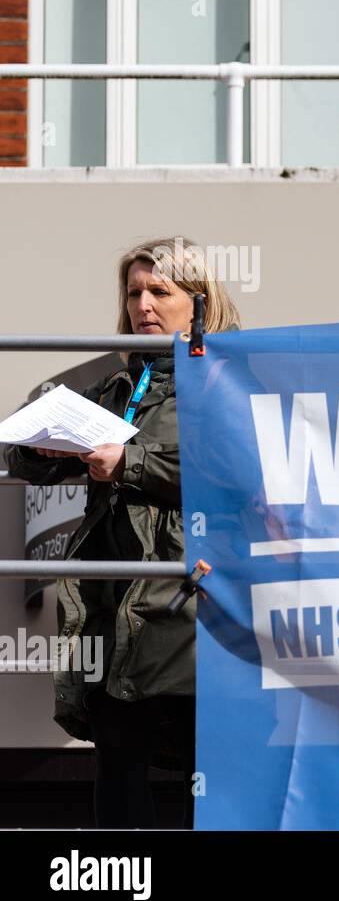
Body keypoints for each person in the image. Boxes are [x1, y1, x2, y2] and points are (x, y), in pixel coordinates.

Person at [5, 237, 241, 828]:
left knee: (201, 763)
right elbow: (36, 463)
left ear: (201, 302)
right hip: (112, 602)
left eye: (161, 291)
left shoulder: (228, 379)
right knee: (116, 757)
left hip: (186, 598)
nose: (144, 304)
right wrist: (37, 444)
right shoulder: (117, 388)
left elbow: (234, 472)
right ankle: (122, 876)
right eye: (134, 292)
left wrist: (131, 463)